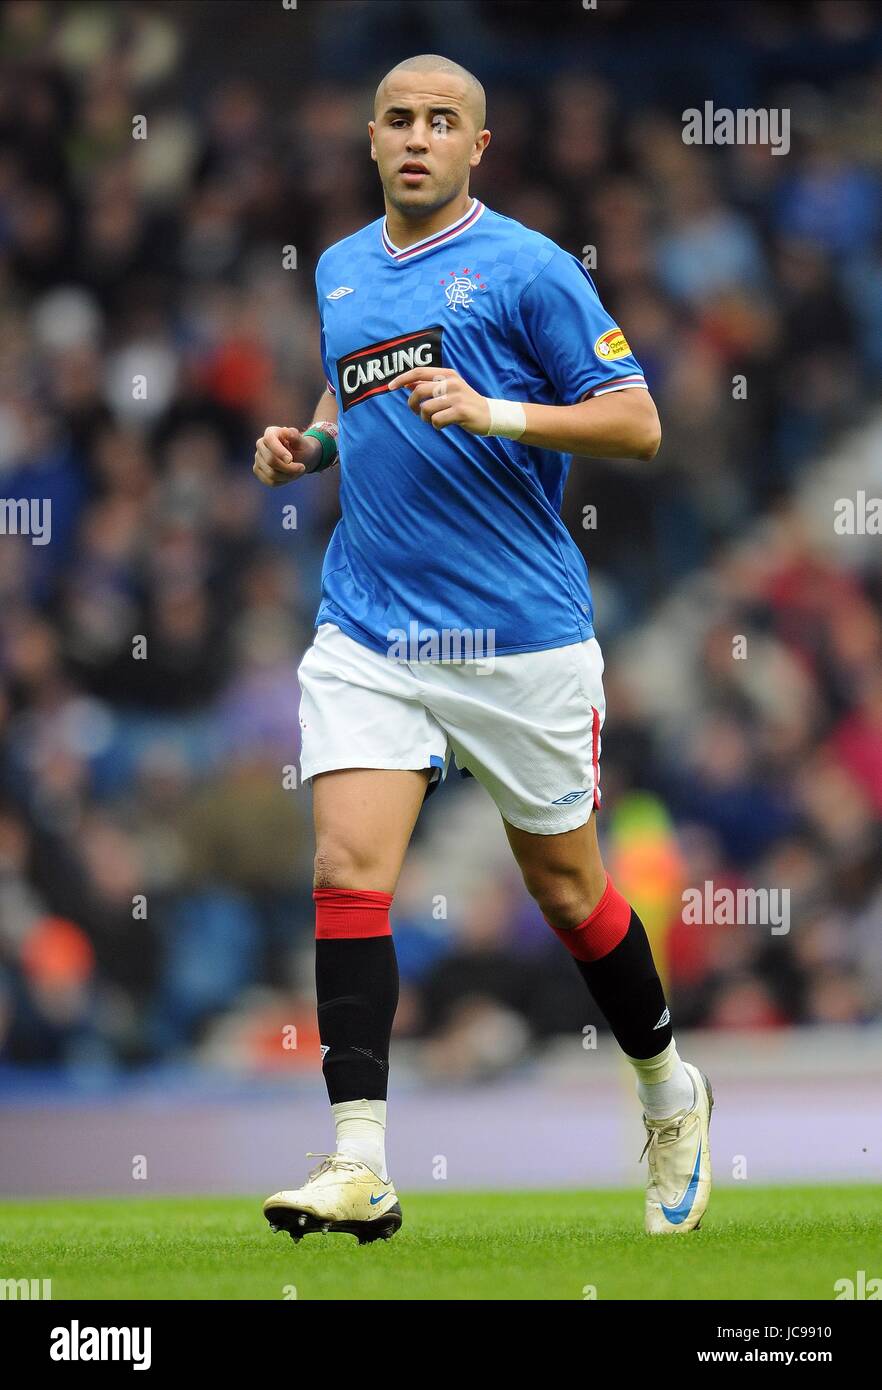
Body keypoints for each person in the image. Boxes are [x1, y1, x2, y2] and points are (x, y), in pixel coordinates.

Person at [254, 54, 712, 1243]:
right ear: (371, 139)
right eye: (398, 120)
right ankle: (360, 1158)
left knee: (569, 890)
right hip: (371, 628)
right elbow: (356, 389)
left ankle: (669, 1088)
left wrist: (496, 408)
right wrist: (313, 443)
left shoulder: (530, 270)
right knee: (348, 872)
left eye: (440, 122)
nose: (417, 137)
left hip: (519, 639)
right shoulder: (346, 269)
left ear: (477, 148)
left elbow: (640, 422)